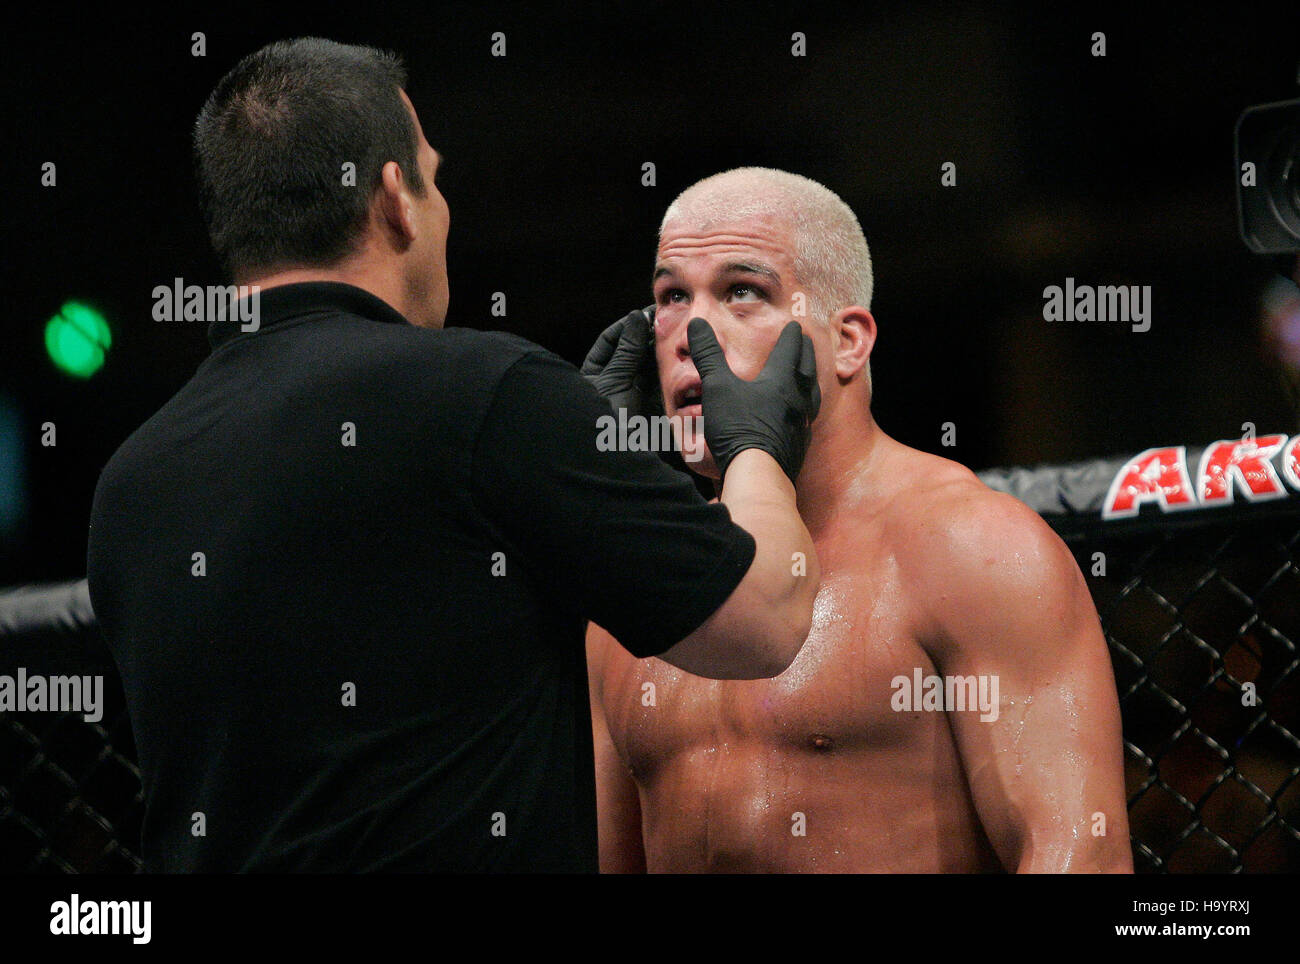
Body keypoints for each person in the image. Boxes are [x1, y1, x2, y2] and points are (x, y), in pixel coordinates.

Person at [86, 40, 821, 872]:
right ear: (396, 198)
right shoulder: (483, 392)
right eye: (434, 179)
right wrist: (756, 443)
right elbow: (763, 622)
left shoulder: (132, 481)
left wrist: (595, 476)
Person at [585, 167, 1134, 873]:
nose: (690, 333)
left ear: (848, 341)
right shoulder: (632, 597)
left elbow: (1077, 854)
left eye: (741, 292)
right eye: (670, 297)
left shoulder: (972, 549)